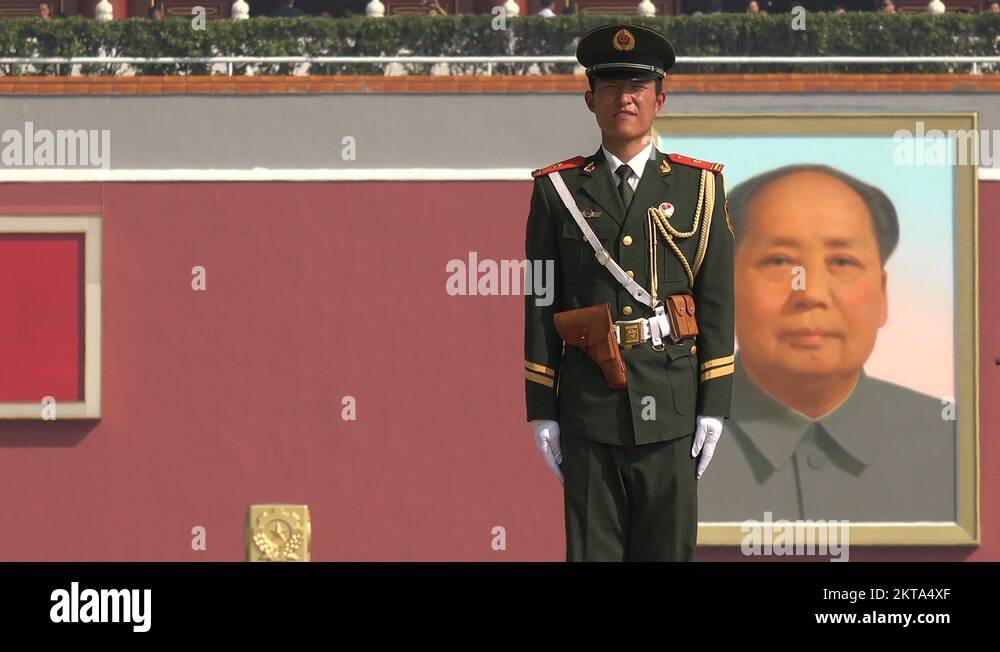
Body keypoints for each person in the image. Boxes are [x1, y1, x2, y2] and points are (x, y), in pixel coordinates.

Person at [524, 24, 734, 561]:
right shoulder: (558, 190)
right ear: (590, 97)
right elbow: (541, 300)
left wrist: (715, 405)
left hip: (671, 408)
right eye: (612, 85)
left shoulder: (698, 186)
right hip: (590, 410)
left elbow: (715, 300)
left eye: (638, 86)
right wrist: (541, 407)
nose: (626, 98)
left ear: (660, 98)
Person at [697, 164, 955, 522]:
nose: (811, 293)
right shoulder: (667, 441)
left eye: (841, 261)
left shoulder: (956, 446)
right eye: (779, 260)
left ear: (882, 295)